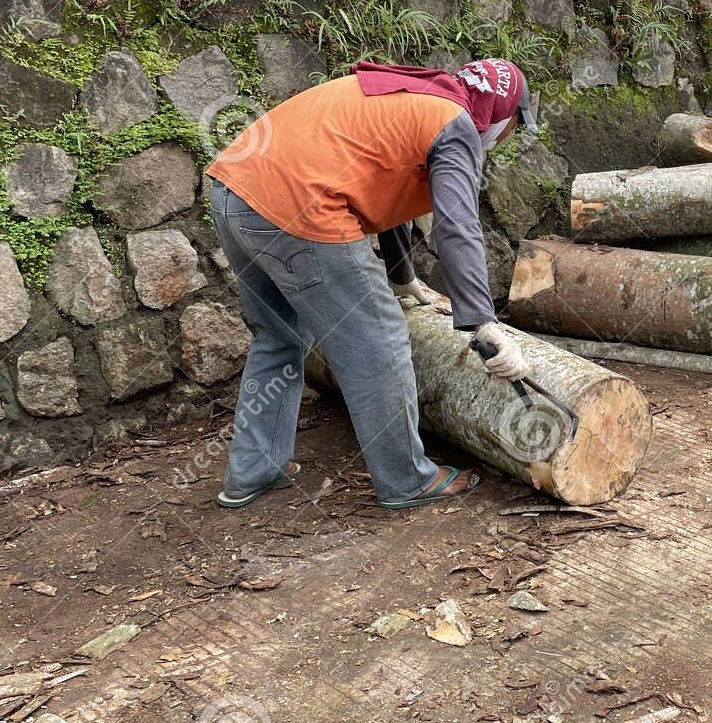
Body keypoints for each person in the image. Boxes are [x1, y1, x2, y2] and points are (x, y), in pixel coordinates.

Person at [204, 58, 536, 511]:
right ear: (501, 112)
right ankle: (407, 480)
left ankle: (254, 470)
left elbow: (385, 184)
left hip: (234, 190)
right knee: (378, 340)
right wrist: (482, 322)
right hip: (300, 204)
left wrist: (404, 279)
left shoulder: (416, 97)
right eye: (515, 123)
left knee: (279, 336)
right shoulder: (456, 124)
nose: (510, 135)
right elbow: (458, 227)